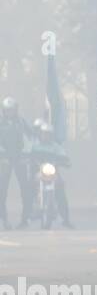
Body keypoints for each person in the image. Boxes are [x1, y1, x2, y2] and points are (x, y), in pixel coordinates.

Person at [28, 119, 73, 228]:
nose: (46, 136)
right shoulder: (35, 146)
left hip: (53, 173)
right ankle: (28, 213)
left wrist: (65, 162)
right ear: (40, 134)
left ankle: (65, 219)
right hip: (39, 172)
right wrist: (29, 159)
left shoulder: (56, 147)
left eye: (48, 134)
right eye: (44, 134)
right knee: (29, 188)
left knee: (61, 191)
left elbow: (65, 157)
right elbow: (28, 155)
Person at [0, 97, 34, 229]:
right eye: (7, 110)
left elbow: (30, 136)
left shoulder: (21, 121)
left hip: (20, 159)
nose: (9, 112)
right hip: (4, 160)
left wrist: (27, 152)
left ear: (16, 110)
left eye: (12, 110)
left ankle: (25, 219)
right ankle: (4, 220)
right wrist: (2, 155)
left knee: (25, 189)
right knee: (2, 191)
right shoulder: (1, 122)